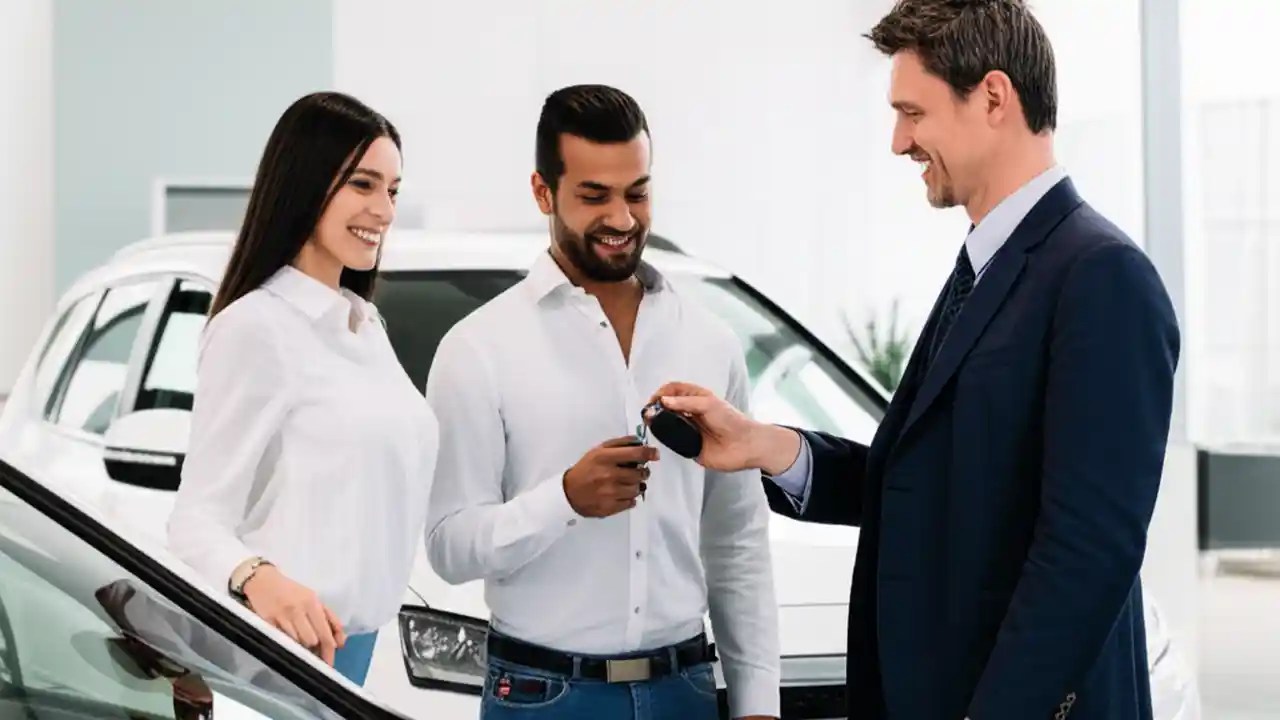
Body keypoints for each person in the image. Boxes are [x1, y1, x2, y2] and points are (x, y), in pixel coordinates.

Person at [648, 1, 1181, 718]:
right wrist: (761, 446)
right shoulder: (986, 269)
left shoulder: (1102, 277)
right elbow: (931, 485)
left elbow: (1088, 554)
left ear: (993, 97)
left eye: (912, 113)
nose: (899, 142)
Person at [422, 84, 780, 719]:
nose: (622, 218)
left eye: (636, 193)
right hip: (542, 698)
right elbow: (450, 547)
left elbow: (737, 541)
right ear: (543, 193)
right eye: (594, 197)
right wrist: (563, 499)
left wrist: (757, 705)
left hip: (686, 692)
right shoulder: (477, 349)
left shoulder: (710, 341)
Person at [167, 91, 438, 687]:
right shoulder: (256, 327)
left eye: (393, 191)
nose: (384, 210)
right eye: (363, 185)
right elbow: (194, 521)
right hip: (280, 657)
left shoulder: (364, 326)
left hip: (372, 654)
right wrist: (258, 577)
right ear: (306, 184)